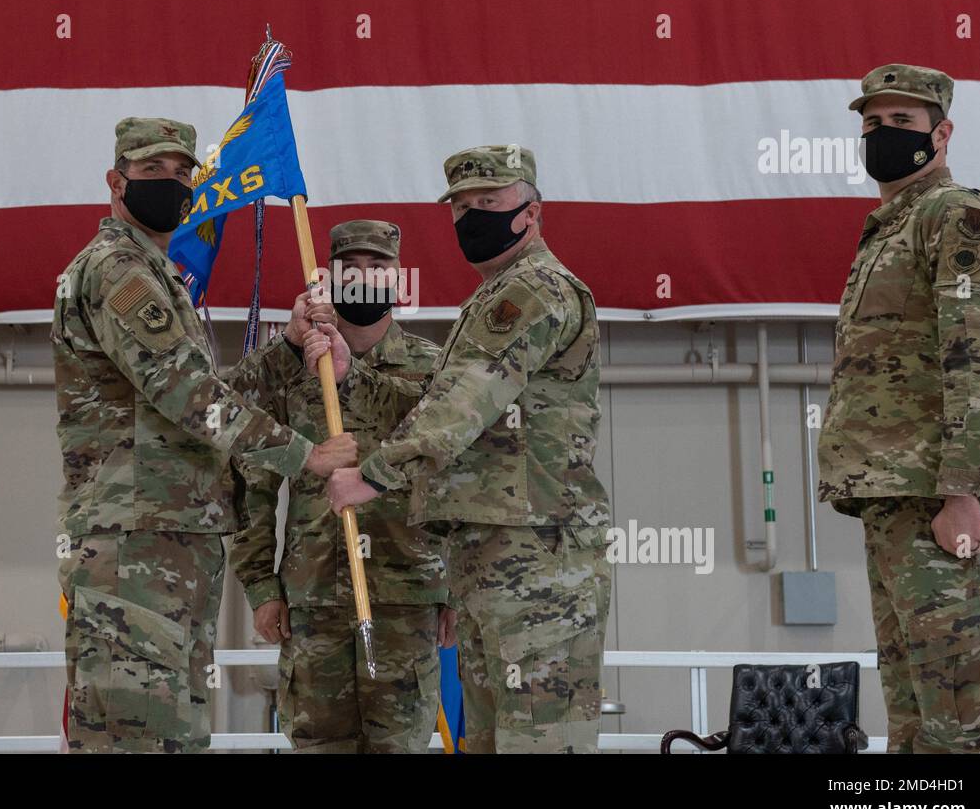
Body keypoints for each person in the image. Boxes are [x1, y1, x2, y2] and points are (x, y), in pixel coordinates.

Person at [52, 116, 356, 753]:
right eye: (151, 172)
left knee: (175, 736)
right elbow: (190, 397)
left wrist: (290, 345)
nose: (171, 183)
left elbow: (203, 391)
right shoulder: (118, 272)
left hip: (173, 535)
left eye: (181, 173)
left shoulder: (158, 275)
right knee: (138, 737)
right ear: (115, 181)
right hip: (136, 543)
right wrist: (307, 457)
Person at [312, 145, 611, 753]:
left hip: (536, 555)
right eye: (462, 206)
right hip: (490, 552)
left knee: (540, 741)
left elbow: (464, 403)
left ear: (531, 212)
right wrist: (354, 375)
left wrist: (373, 475)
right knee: (493, 740)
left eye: (489, 203)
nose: (472, 216)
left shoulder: (532, 290)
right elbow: (443, 398)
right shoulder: (493, 296)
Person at [818, 64, 980, 753]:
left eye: (902, 123)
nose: (883, 135)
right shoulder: (888, 229)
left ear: (942, 132)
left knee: (963, 717)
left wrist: (962, 492)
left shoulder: (955, 214)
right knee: (913, 714)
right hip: (894, 502)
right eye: (873, 124)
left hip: (944, 502)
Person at [228, 220, 455, 752]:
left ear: (399, 282)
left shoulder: (435, 368)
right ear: (327, 282)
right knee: (318, 744)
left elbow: (455, 480)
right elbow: (251, 483)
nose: (363, 278)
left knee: (400, 745)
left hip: (408, 595)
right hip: (314, 596)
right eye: (350, 269)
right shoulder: (290, 370)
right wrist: (261, 587)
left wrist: (457, 590)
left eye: (377, 268)